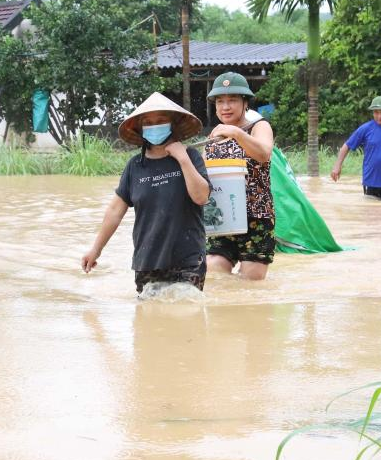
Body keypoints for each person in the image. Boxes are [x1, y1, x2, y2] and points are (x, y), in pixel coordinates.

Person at [81, 93, 211, 294]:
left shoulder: (191, 156)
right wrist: (95, 250)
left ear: (172, 124)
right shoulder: (135, 166)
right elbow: (115, 211)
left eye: (160, 121)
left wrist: (182, 158)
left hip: (188, 259)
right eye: (147, 123)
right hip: (147, 260)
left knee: (188, 308)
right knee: (148, 312)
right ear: (140, 129)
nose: (154, 126)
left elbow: (201, 197)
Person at [204, 72, 275, 280]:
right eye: (220, 101)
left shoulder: (259, 126)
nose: (225, 107)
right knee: (214, 271)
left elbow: (264, 153)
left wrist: (235, 132)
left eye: (232, 100)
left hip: (257, 217)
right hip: (221, 218)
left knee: (251, 281)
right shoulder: (214, 136)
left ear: (245, 103)